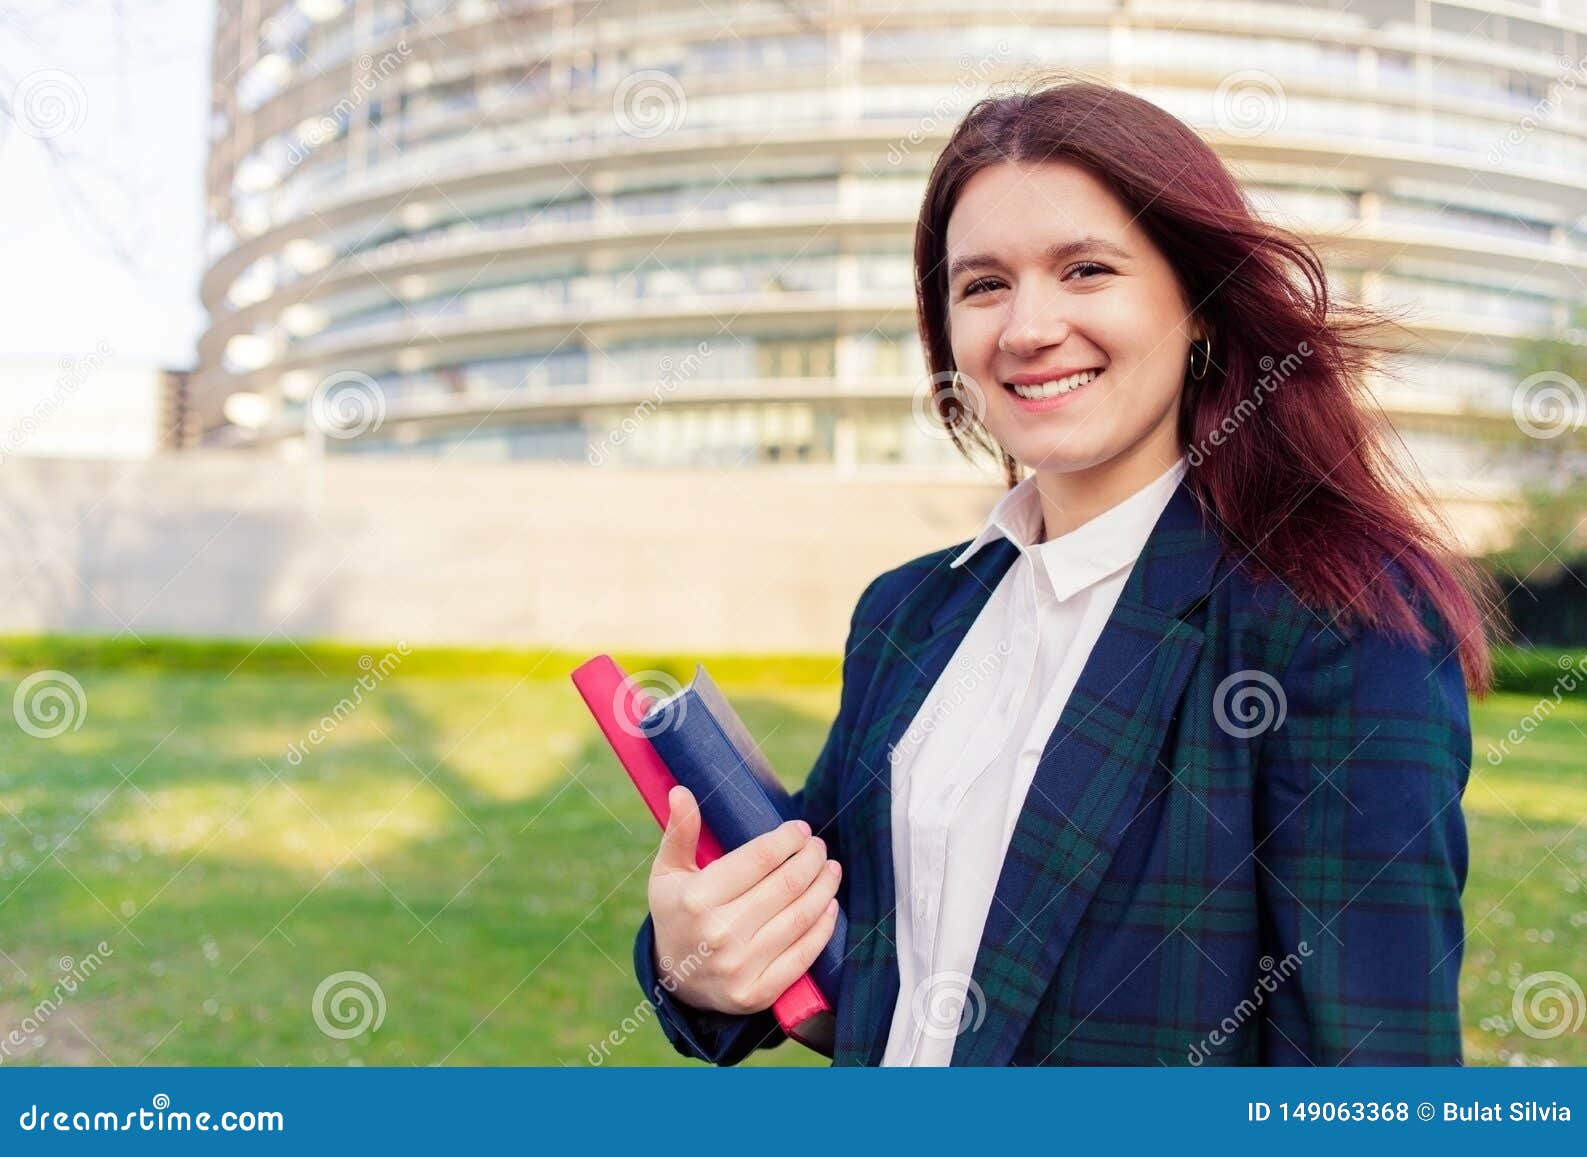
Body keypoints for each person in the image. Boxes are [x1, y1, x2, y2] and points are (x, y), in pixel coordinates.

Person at [633, 75, 1502, 1066]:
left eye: (1085, 269)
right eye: (982, 284)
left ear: (1200, 306)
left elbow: (1371, 1079)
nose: (1027, 327)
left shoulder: (1336, 623)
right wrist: (690, 959)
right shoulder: (908, 614)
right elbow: (838, 946)